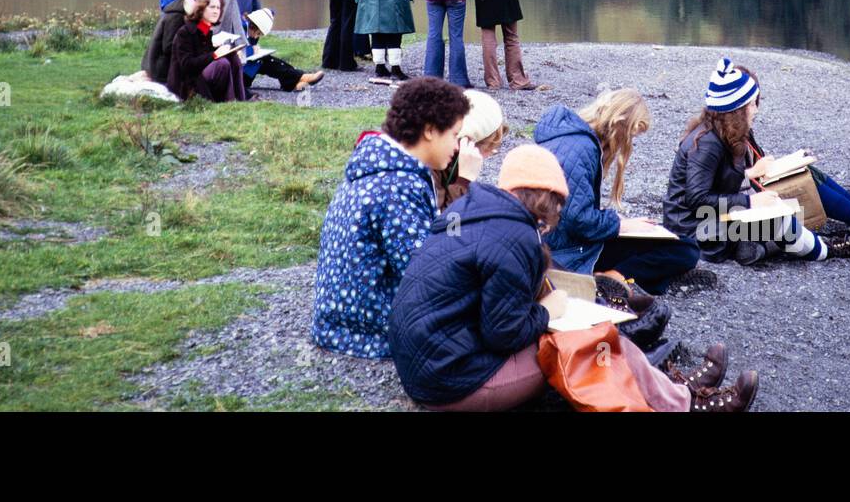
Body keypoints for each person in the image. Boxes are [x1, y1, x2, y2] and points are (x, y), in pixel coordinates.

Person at [389, 144, 758, 412]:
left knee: (593, 336)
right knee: (593, 342)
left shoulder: (469, 211)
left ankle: (677, 390)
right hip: (452, 385)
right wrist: (548, 313)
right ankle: (688, 404)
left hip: (427, 363)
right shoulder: (515, 238)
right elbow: (502, 333)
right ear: (546, 200)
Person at [663, 57, 850, 266]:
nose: (756, 109)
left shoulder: (725, 133)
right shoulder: (707, 144)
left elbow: (715, 182)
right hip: (696, 229)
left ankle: (757, 246)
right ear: (738, 109)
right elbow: (695, 200)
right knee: (781, 222)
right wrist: (750, 200)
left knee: (796, 189)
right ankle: (829, 249)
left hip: (710, 220)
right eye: (752, 103)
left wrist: (752, 178)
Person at [312, 77, 473, 358]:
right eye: (455, 135)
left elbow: (431, 242)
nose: (457, 147)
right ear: (431, 130)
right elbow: (429, 274)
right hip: (368, 330)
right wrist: (465, 187)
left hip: (339, 319)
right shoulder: (398, 186)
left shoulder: (379, 166)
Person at [535, 89, 701, 295]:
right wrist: (620, 225)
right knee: (683, 249)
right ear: (619, 125)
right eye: (631, 135)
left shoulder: (572, 139)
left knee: (676, 242)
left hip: (563, 241)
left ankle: (622, 274)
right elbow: (579, 221)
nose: (628, 143)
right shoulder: (580, 148)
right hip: (567, 250)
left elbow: (574, 209)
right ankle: (615, 276)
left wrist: (619, 224)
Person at [165, 0, 251, 102]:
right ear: (201, 8)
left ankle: (241, 101)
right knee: (222, 64)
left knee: (233, 57)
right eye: (212, 7)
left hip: (200, 77)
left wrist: (226, 52)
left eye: (218, 8)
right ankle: (228, 102)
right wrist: (215, 55)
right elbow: (187, 65)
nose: (216, 11)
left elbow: (205, 55)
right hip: (185, 85)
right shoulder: (185, 32)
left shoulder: (206, 30)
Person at [434, 89, 506, 210]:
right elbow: (450, 224)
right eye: (490, 147)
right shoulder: (432, 166)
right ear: (468, 144)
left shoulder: (449, 160)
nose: (492, 153)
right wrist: (464, 181)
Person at [240, 7, 323, 93]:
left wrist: (254, 49)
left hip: (243, 72)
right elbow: (235, 52)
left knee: (267, 60)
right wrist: (251, 50)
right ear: (253, 26)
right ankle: (298, 79)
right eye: (258, 33)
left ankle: (295, 81)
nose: (256, 37)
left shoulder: (249, 31)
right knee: (263, 60)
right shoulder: (239, 29)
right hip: (237, 76)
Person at [141, 0, 193, 84]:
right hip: (159, 70)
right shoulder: (176, 17)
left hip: (153, 64)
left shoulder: (173, 13)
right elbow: (168, 46)